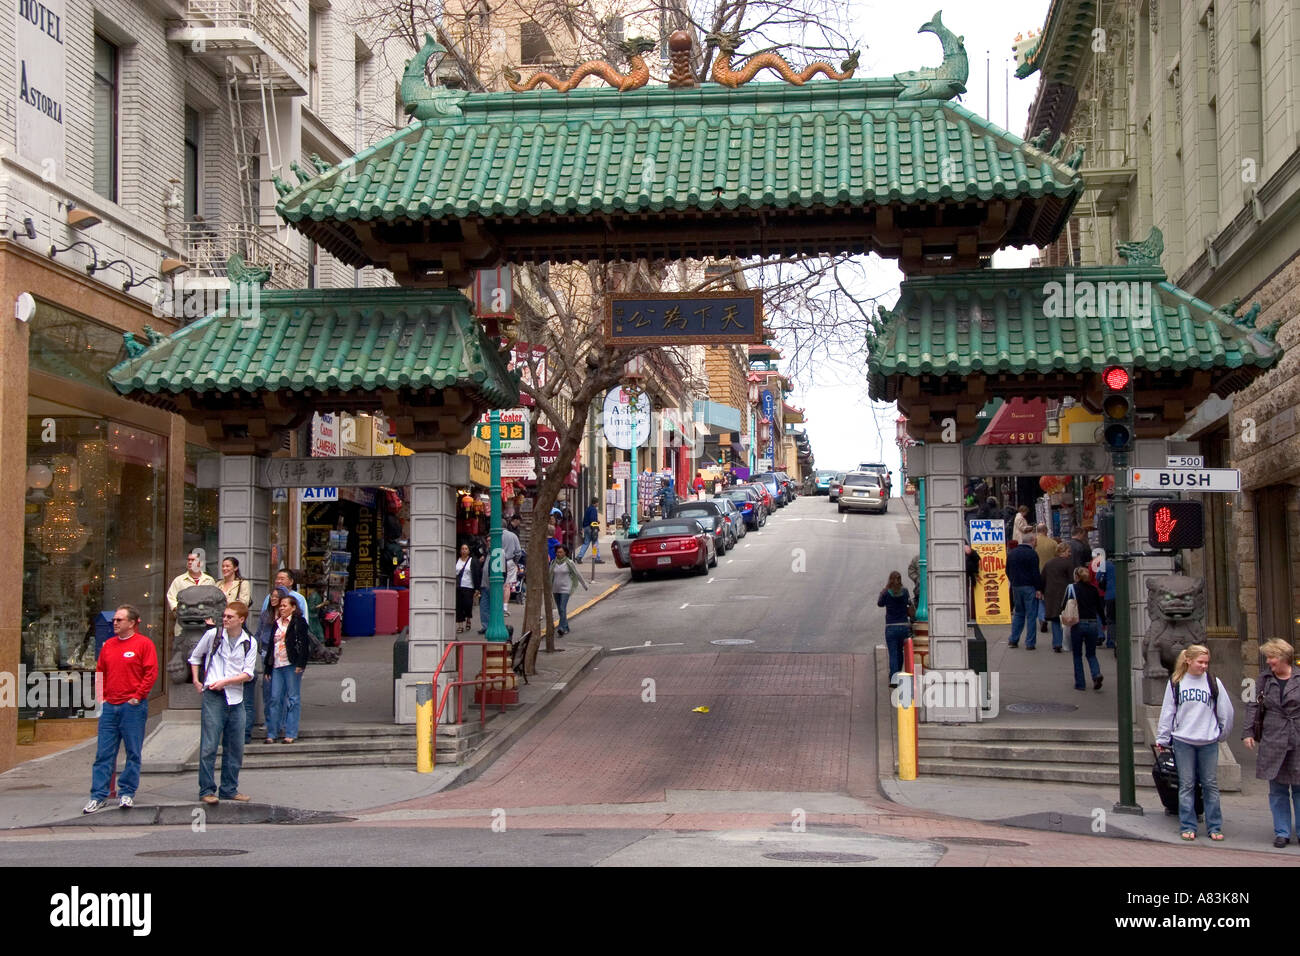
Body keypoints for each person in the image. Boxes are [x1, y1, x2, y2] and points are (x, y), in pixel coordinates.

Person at [83, 606, 159, 813]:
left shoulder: (144, 644)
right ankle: (98, 796)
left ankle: (127, 792)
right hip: (110, 706)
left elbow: (150, 672)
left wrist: (137, 696)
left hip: (132, 707)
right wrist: (102, 699)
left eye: (119, 620)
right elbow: (100, 672)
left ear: (132, 623)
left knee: (133, 751)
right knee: (103, 753)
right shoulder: (108, 645)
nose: (114, 623)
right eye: (115, 619)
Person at [1156, 644, 1234, 841]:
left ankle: (1215, 826)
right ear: (1188, 660)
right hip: (1183, 740)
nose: (1204, 666)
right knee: (1187, 784)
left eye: (1207, 662)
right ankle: (1188, 825)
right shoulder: (1176, 682)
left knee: (1210, 785)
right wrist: (1163, 737)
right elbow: (1168, 711)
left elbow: (1226, 711)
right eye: (1200, 662)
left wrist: (1221, 734)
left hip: (1208, 740)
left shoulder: (1213, 682)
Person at [189, 600, 256, 804]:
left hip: (235, 697)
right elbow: (195, 657)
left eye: (230, 617)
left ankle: (229, 788)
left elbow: (248, 674)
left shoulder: (249, 642)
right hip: (213, 695)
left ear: (241, 620)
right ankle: (207, 790)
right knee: (209, 744)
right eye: (224, 616)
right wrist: (197, 681)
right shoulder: (213, 635)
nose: (225, 620)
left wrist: (226, 681)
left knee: (235, 746)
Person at [1242, 639, 1300, 847]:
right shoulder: (1264, 679)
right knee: (1277, 789)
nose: (1268, 661)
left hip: (1297, 737)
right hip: (1273, 738)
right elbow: (1253, 706)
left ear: (1283, 657)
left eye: (1271, 657)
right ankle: (1282, 832)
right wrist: (1248, 732)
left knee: (1299, 788)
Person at [263, 594, 311, 744]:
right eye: (281, 606)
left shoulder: (299, 622)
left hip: (291, 664)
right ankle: (272, 733)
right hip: (277, 664)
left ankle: (290, 733)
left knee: (293, 699)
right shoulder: (276, 623)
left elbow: (304, 645)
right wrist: (267, 668)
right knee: (275, 698)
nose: (282, 608)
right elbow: (271, 646)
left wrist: (301, 664)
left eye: (285, 606)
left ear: (293, 607)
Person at [1063, 566, 1106, 691]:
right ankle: (1096, 673)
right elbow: (1099, 608)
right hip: (1092, 623)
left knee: (1077, 655)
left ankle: (1080, 683)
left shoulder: (1073, 588)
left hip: (1077, 623)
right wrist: (1103, 622)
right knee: (1091, 654)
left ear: (1076, 576)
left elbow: (1064, 604)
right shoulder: (1093, 589)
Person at [1005, 533, 1044, 649]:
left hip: (1016, 586)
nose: (1036, 543)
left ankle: (1013, 639)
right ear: (1031, 541)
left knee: (1018, 613)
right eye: (1035, 541)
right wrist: (1038, 588)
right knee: (1031, 615)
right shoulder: (1032, 554)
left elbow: (1007, 569)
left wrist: (1013, 581)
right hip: (1029, 587)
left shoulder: (1012, 553)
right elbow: (1035, 573)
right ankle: (1030, 643)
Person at [166, 551, 217, 636]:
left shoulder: (209, 580)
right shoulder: (179, 580)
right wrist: (179, 609)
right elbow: (171, 597)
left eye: (193, 560)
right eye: (188, 560)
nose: (189, 562)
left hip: (204, 625)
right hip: (184, 625)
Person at [877, 571, 913, 687]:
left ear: (890, 580)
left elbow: (880, 604)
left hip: (891, 627)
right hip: (903, 626)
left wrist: (883, 592)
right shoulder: (905, 591)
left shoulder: (886, 593)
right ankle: (897, 673)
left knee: (893, 653)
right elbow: (909, 604)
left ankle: (894, 678)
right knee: (900, 652)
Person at [1041, 542, 1075, 653]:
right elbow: (1072, 580)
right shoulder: (1068, 564)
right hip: (1064, 594)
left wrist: (1042, 591)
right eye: (1068, 551)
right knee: (1067, 618)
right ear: (1063, 551)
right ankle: (1068, 643)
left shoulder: (1048, 563)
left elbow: (1043, 579)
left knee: (1055, 619)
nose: (1070, 554)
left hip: (1051, 594)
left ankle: (1057, 643)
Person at [550, 544, 590, 635]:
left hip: (565, 589)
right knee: (561, 610)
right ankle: (566, 626)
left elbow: (578, 574)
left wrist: (585, 585)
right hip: (556, 589)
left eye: (560, 552)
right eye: (557, 552)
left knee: (562, 608)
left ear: (565, 553)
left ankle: (561, 628)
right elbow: (549, 575)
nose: (558, 554)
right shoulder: (553, 563)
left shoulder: (569, 563)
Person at [1033, 525, 1058, 634]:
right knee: (1049, 597)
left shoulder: (1034, 543)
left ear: (1037, 531)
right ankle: (1050, 615)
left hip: (1037, 574)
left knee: (1039, 598)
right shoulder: (1053, 543)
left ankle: (1042, 618)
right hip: (1050, 574)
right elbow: (1058, 557)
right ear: (1046, 531)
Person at [454, 543, 477, 633]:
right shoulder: (457, 561)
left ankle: (468, 617)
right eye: (462, 549)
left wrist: (477, 588)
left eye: (466, 549)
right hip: (458, 586)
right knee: (459, 606)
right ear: (460, 551)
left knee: (467, 604)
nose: (464, 550)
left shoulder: (472, 561)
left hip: (469, 586)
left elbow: (476, 574)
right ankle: (460, 625)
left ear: (468, 551)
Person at [576, 498, 603, 562]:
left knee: (586, 543)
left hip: (586, 527)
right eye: (598, 503)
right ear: (595, 503)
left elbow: (587, 518)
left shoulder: (588, 509)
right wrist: (595, 524)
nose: (598, 504)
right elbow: (592, 519)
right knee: (595, 543)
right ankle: (596, 558)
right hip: (591, 528)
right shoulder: (593, 509)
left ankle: (579, 557)